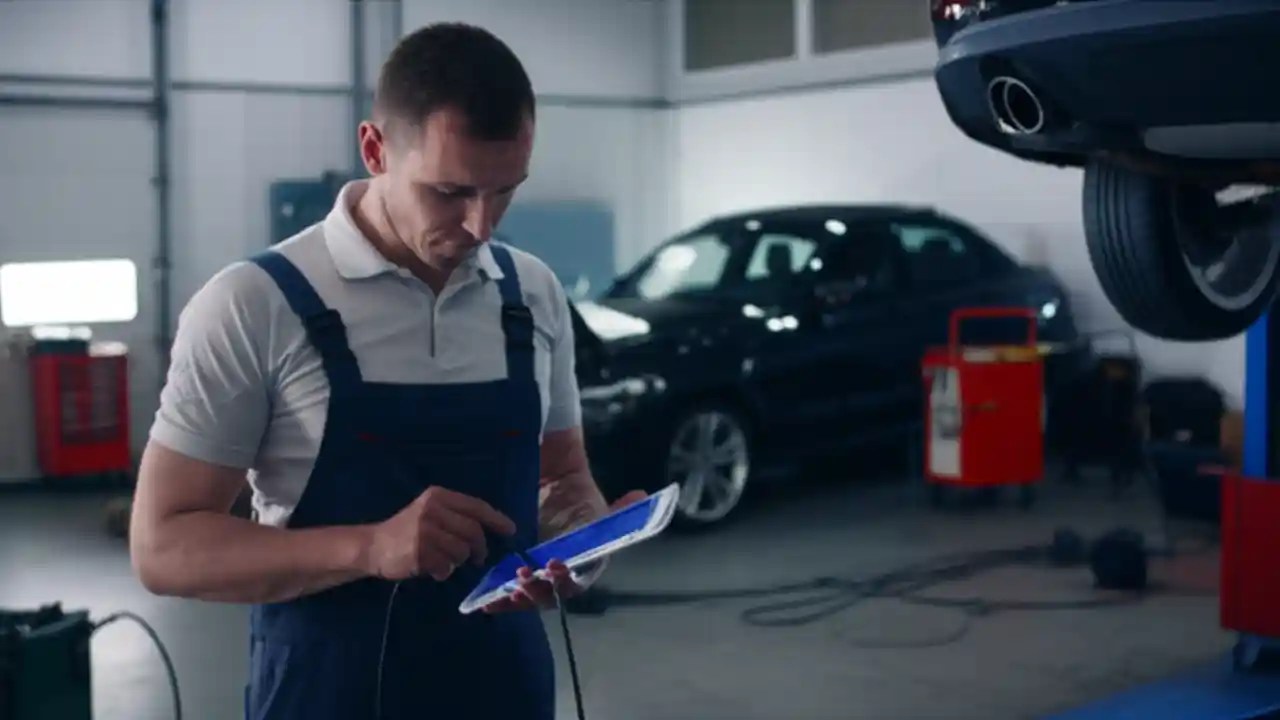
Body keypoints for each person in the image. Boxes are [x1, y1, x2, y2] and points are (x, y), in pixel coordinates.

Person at [128, 22, 644, 720]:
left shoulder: (533, 295)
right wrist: (371, 547)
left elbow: (562, 476)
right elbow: (163, 545)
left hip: (507, 689)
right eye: (449, 192)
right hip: (326, 694)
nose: (481, 226)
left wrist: (578, 543)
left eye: (504, 192)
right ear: (374, 149)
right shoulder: (255, 304)